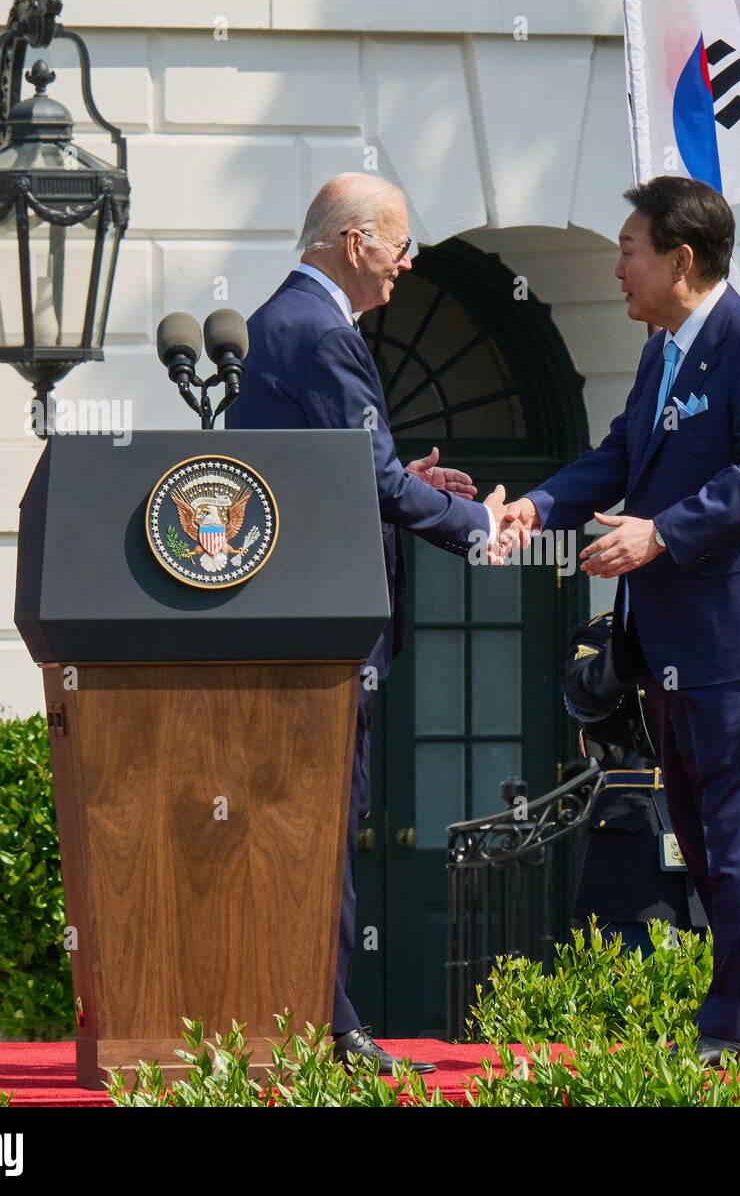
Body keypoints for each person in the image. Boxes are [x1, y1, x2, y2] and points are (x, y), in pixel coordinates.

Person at [497, 175, 740, 1064]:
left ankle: (737, 1033)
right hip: (675, 646)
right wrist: (535, 507)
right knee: (708, 841)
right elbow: (617, 457)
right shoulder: (662, 354)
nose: (615, 268)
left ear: (681, 260)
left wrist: (658, 536)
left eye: (629, 250)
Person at [227, 172, 508, 1073]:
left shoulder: (289, 324)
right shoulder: (321, 335)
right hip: (324, 631)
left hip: (304, 621)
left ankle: (318, 1015)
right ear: (355, 245)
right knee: (322, 828)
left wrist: (410, 482)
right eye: (400, 243)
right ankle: (327, 1026)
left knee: (314, 827)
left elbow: (344, 475)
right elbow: (372, 481)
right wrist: (478, 525)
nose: (408, 262)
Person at [564, 612, 710, 954]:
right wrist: (634, 638)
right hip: (632, 830)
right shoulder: (601, 632)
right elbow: (583, 696)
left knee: (711, 984)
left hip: (705, 818)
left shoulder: (709, 619)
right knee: (631, 974)